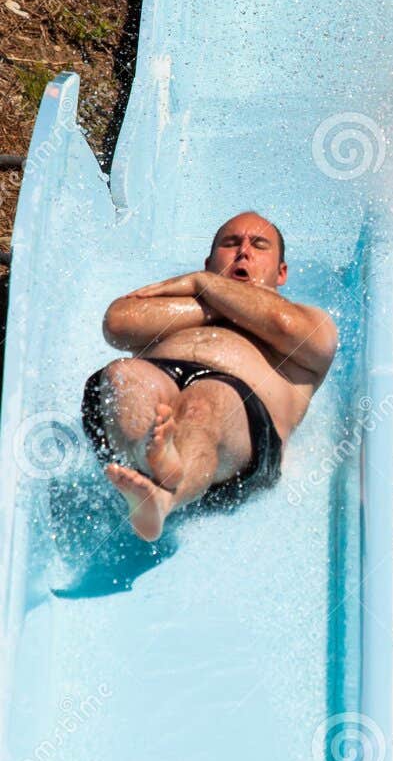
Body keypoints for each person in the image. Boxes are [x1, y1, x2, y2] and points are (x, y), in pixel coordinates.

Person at [81, 212, 339, 541]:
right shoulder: (188, 303)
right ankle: (153, 457)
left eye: (259, 246)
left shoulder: (308, 320)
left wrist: (205, 285)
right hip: (155, 390)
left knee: (206, 403)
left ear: (282, 271)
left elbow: (283, 324)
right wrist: (216, 297)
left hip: (238, 431)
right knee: (123, 374)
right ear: (208, 261)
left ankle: (164, 497)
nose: (243, 252)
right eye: (230, 244)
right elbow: (118, 322)